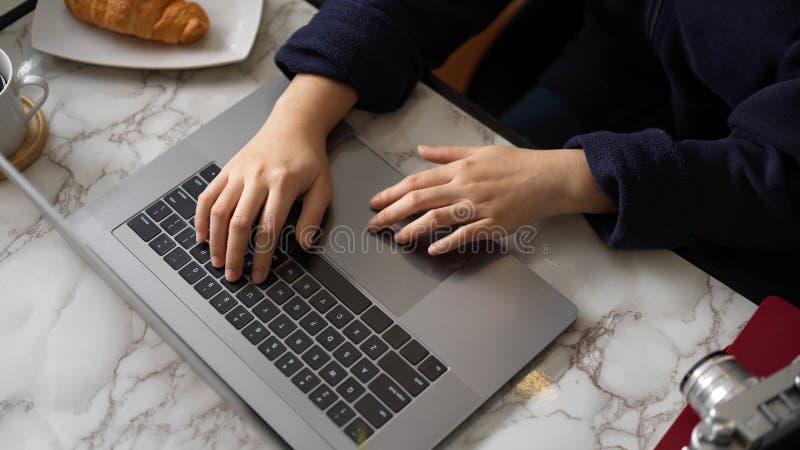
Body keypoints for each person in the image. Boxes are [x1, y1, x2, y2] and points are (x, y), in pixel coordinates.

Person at [194, 0, 800, 302]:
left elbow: (784, 176)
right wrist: (296, 119)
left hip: (750, 217)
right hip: (611, 80)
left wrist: (575, 175)